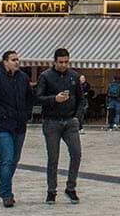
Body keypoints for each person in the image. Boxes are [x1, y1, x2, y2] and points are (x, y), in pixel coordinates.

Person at [36, 48, 85, 204]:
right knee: (53, 158)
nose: (64, 65)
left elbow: (81, 99)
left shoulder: (74, 76)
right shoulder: (45, 76)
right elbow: (38, 97)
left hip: (70, 121)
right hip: (52, 121)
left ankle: (71, 187)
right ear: (55, 61)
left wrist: (77, 117)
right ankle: (51, 191)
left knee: (76, 153)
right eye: (61, 62)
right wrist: (54, 99)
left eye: (66, 62)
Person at [0, 50, 32, 207]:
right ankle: (6, 194)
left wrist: (27, 114)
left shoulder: (23, 78)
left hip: (19, 125)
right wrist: (1, 114)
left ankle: (4, 187)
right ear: (5, 62)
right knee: (7, 160)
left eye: (18, 59)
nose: (16, 62)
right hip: (3, 126)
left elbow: (29, 98)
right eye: (13, 60)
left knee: (14, 160)